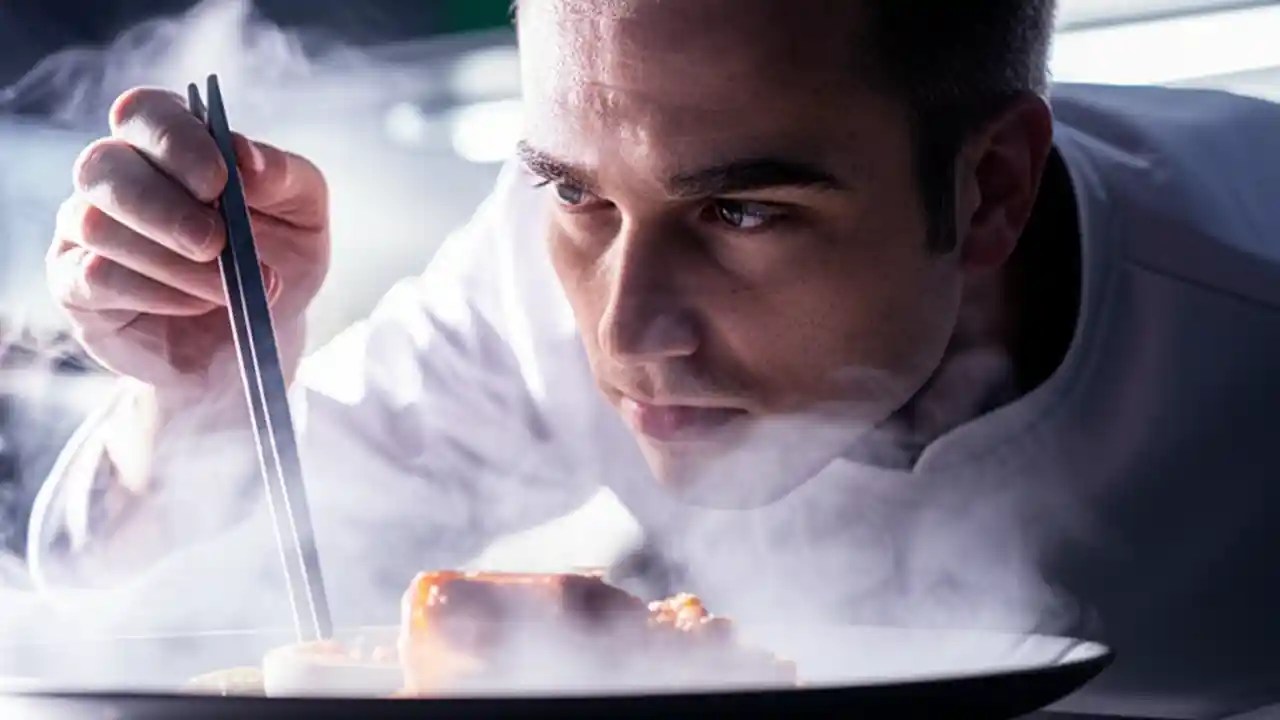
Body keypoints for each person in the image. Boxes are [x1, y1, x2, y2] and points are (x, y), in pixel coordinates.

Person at [31, 0, 1280, 714]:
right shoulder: (529, 280)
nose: (625, 337)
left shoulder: (1248, 299)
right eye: (575, 193)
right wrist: (189, 401)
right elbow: (139, 610)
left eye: (742, 213)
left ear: (993, 188)